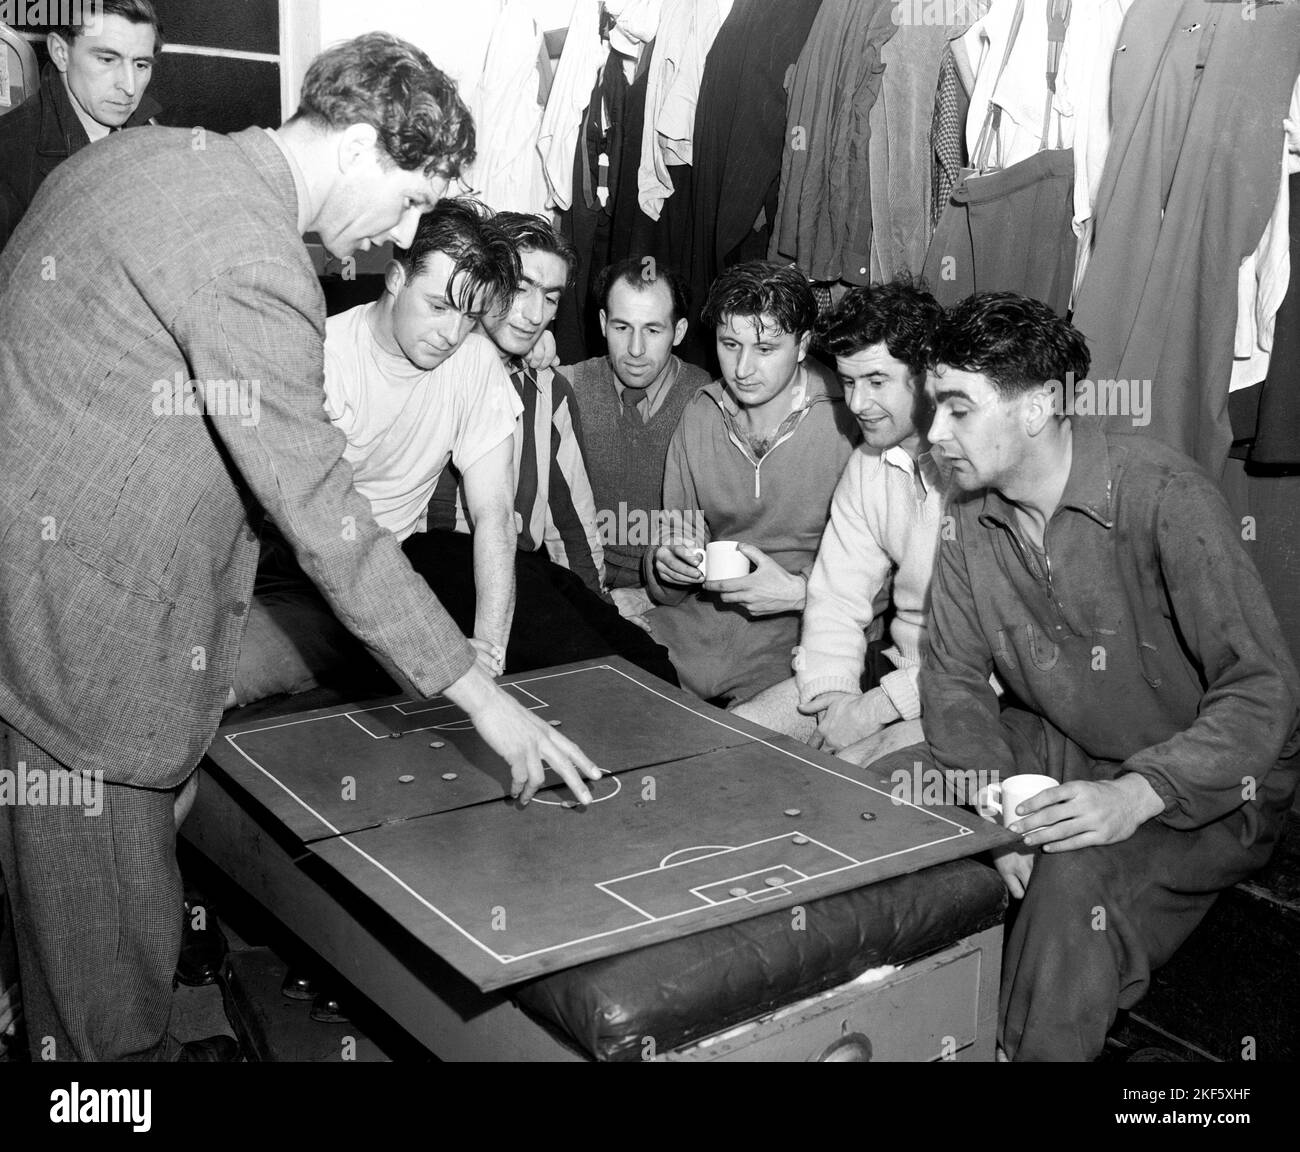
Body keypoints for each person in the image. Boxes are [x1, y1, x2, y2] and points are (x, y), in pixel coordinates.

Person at [0, 33, 599, 1064]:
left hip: (34, 597)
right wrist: (481, 696)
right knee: (107, 991)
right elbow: (322, 508)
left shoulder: (138, 156)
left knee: (79, 924)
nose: (400, 230)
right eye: (410, 197)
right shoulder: (260, 263)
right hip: (87, 653)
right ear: (359, 143)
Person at [919, 292, 1300, 1061]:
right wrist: (996, 815)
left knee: (1073, 881)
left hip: (1212, 780)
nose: (933, 432)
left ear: (1036, 407)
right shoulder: (967, 516)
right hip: (1069, 743)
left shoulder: (1163, 495)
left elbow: (1264, 689)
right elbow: (952, 678)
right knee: (903, 802)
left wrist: (1137, 794)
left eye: (957, 408)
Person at [231, 198, 523, 706]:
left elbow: (494, 514)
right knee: (211, 682)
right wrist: (433, 648)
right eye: (438, 307)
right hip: (297, 564)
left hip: (391, 567)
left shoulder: (475, 361)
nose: (452, 334)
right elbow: (323, 535)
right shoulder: (325, 358)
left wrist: (489, 655)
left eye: (470, 316)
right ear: (395, 279)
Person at [412, 211, 680, 684]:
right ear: (488, 281)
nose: (534, 314)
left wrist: (598, 603)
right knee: (596, 675)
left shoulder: (548, 387)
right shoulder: (436, 361)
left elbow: (570, 521)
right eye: (522, 288)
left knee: (650, 664)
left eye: (550, 297)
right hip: (446, 562)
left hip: (527, 567)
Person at [733, 280, 946, 766]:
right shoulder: (868, 463)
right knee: (734, 736)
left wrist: (876, 710)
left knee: (849, 774)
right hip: (891, 671)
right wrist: (833, 697)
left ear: (926, 375)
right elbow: (836, 599)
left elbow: (994, 657)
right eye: (848, 382)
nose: (857, 404)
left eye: (876, 381)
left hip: (963, 693)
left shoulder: (974, 466)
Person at [644, 260, 860, 703]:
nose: (742, 368)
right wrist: (667, 564)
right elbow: (676, 535)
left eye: (765, 349)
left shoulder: (851, 419)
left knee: (741, 741)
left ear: (802, 345)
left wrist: (801, 593)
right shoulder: (700, 413)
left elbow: (892, 577)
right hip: (705, 625)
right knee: (604, 684)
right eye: (730, 344)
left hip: (809, 630)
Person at [563, 257, 710, 607]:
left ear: (679, 332)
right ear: (603, 323)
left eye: (653, 330)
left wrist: (648, 597)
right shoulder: (567, 385)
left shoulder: (706, 401)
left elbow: (719, 528)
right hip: (577, 575)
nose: (635, 349)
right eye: (622, 327)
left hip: (672, 593)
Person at [0, 0, 163, 249]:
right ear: (60, 53)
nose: (129, 87)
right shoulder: (7, 161)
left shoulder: (152, 131)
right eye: (107, 59)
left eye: (141, 65)